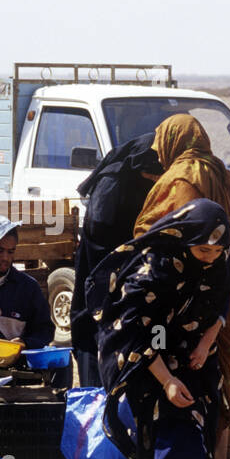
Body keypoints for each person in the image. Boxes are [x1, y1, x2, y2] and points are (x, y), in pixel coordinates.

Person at [86, 199, 230, 459]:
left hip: (193, 346)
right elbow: (134, 330)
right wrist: (167, 379)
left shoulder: (221, 256)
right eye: (202, 251)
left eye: (217, 252)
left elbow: (221, 304)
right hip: (142, 350)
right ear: (186, 239)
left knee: (203, 412)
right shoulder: (154, 267)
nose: (211, 258)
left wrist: (205, 344)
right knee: (175, 415)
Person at [132, 114, 230, 459]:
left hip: (189, 292)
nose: (159, 155)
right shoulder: (221, 171)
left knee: (181, 372)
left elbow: (164, 231)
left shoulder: (183, 177)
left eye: (162, 147)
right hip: (225, 284)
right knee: (218, 368)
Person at [71, 132, 164, 387]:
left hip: (129, 275)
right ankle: (96, 399)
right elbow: (99, 232)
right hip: (101, 276)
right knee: (96, 333)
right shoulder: (112, 183)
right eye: (151, 173)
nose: (155, 179)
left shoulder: (143, 183)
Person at [0, 218, 55, 349]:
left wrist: (25, 343)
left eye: (10, 252)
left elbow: (45, 331)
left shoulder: (28, 288)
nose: (5, 258)